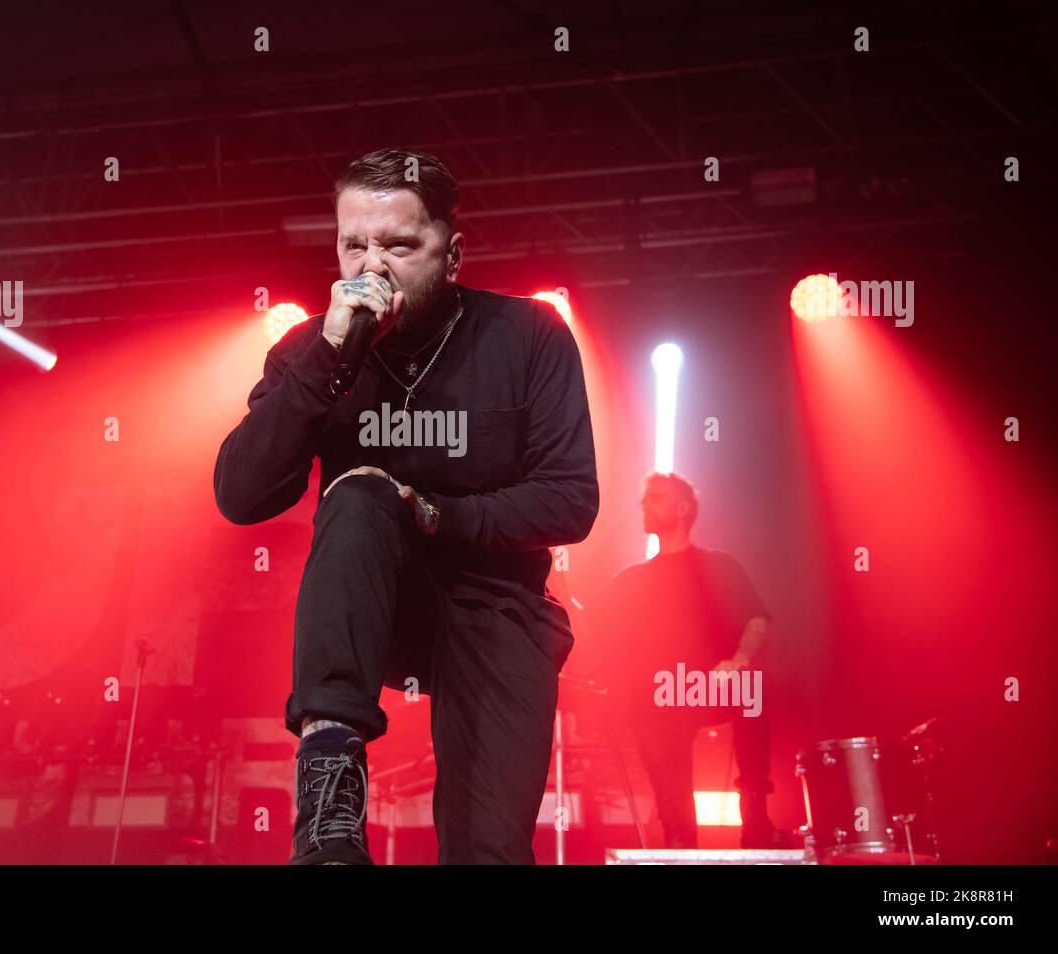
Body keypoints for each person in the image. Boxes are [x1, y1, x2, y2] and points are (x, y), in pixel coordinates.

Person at [213, 147, 599, 864]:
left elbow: (570, 500)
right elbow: (240, 495)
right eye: (353, 244)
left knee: (488, 850)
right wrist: (329, 359)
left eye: (399, 244)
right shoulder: (314, 352)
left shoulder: (529, 337)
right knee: (359, 495)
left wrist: (433, 512)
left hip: (495, 604)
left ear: (452, 256)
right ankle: (329, 804)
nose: (372, 266)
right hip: (370, 605)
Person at [593, 472, 784, 849]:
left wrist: (739, 660)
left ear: (682, 509)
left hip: (709, 685)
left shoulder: (718, 566)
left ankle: (757, 819)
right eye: (645, 499)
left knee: (752, 689)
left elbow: (757, 619)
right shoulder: (630, 581)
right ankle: (679, 837)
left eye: (656, 498)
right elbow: (589, 628)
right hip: (659, 696)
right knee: (651, 714)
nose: (644, 505)